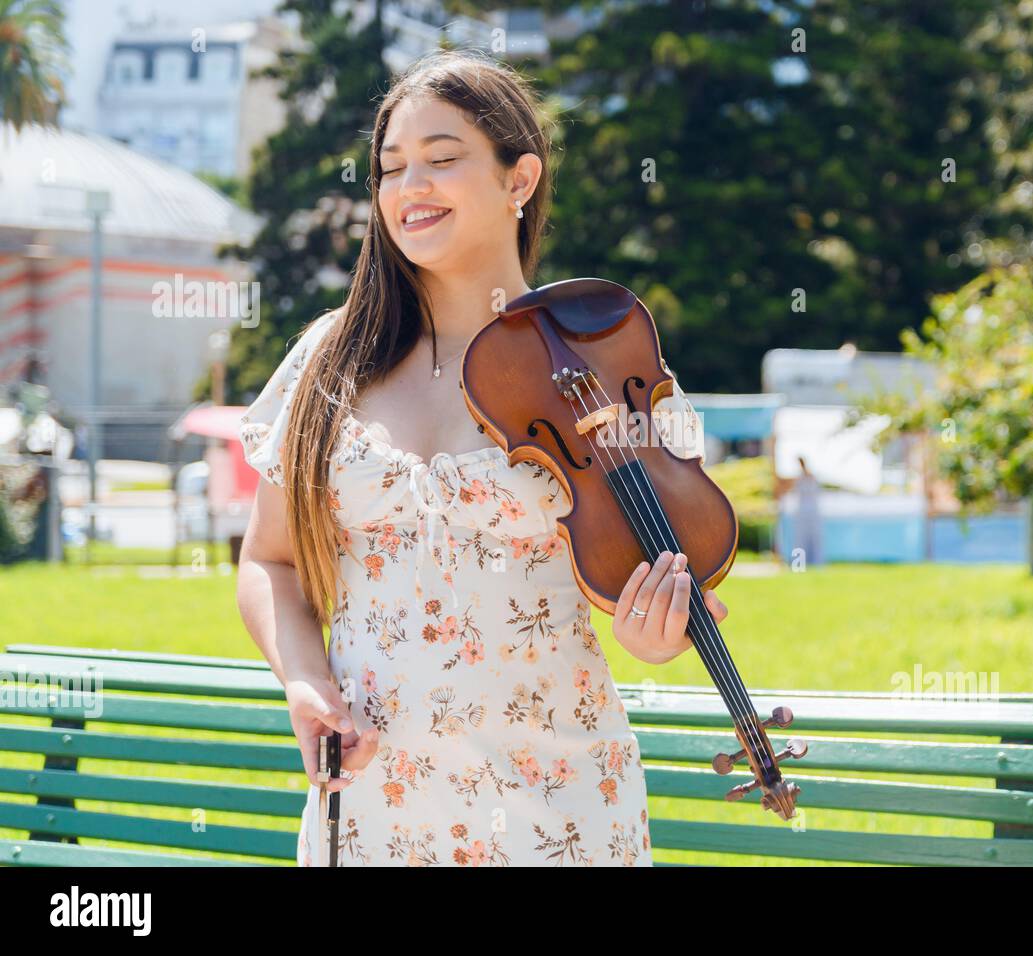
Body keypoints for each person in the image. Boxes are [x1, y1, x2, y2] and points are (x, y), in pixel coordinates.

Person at [235, 50, 726, 867]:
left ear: (519, 180)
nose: (408, 188)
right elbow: (270, 561)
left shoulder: (599, 356)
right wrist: (305, 679)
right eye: (391, 169)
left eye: (442, 159)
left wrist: (658, 637)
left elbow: (671, 591)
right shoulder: (333, 358)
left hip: (558, 813)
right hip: (372, 811)